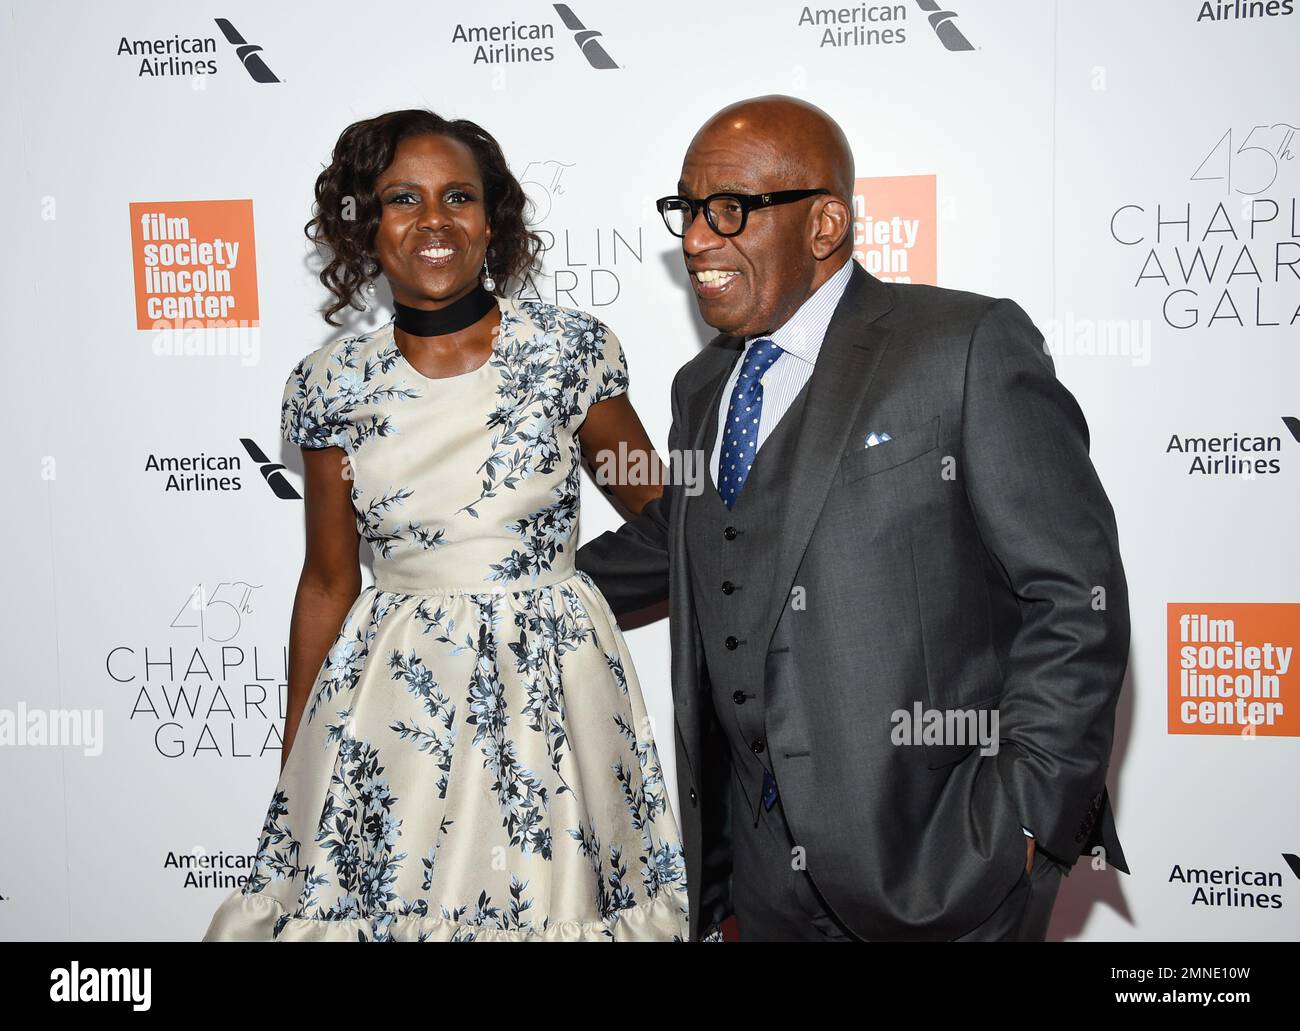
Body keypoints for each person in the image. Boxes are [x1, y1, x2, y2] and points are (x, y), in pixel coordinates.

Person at [575, 95, 1131, 941]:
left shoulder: (963, 343)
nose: (694, 238)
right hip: (758, 881)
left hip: (940, 862)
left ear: (825, 223)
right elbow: (685, 536)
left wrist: (1024, 821)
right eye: (686, 209)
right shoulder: (703, 387)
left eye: (728, 209)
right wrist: (488, 587)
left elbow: (1074, 597)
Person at [203, 109, 689, 941]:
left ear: (492, 221)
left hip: (551, 701)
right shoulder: (330, 382)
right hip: (395, 704)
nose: (433, 220)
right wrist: (300, 755)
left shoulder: (568, 351)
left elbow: (671, 520)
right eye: (403, 199)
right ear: (365, 224)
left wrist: (561, 594)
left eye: (458, 197)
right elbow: (328, 578)